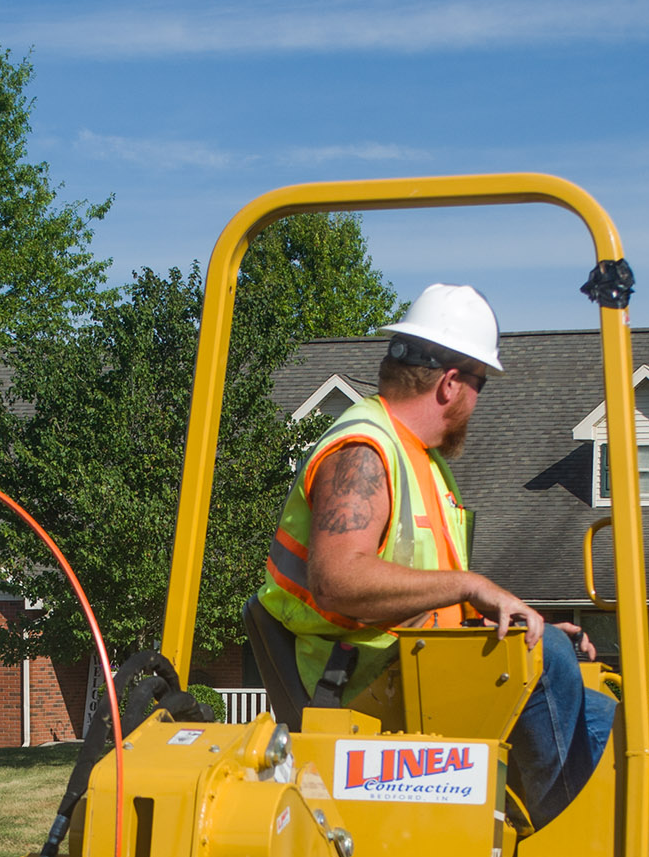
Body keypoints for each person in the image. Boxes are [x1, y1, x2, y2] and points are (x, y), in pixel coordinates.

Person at [258, 282, 615, 828]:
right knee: (551, 664)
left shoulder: (418, 458)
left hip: (409, 662)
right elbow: (338, 580)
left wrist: (513, 620)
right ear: (451, 384)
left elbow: (423, 594)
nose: (477, 401)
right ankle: (564, 849)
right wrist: (469, 586)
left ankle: (550, 837)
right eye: (481, 386)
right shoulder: (364, 449)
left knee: (591, 698)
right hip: (357, 681)